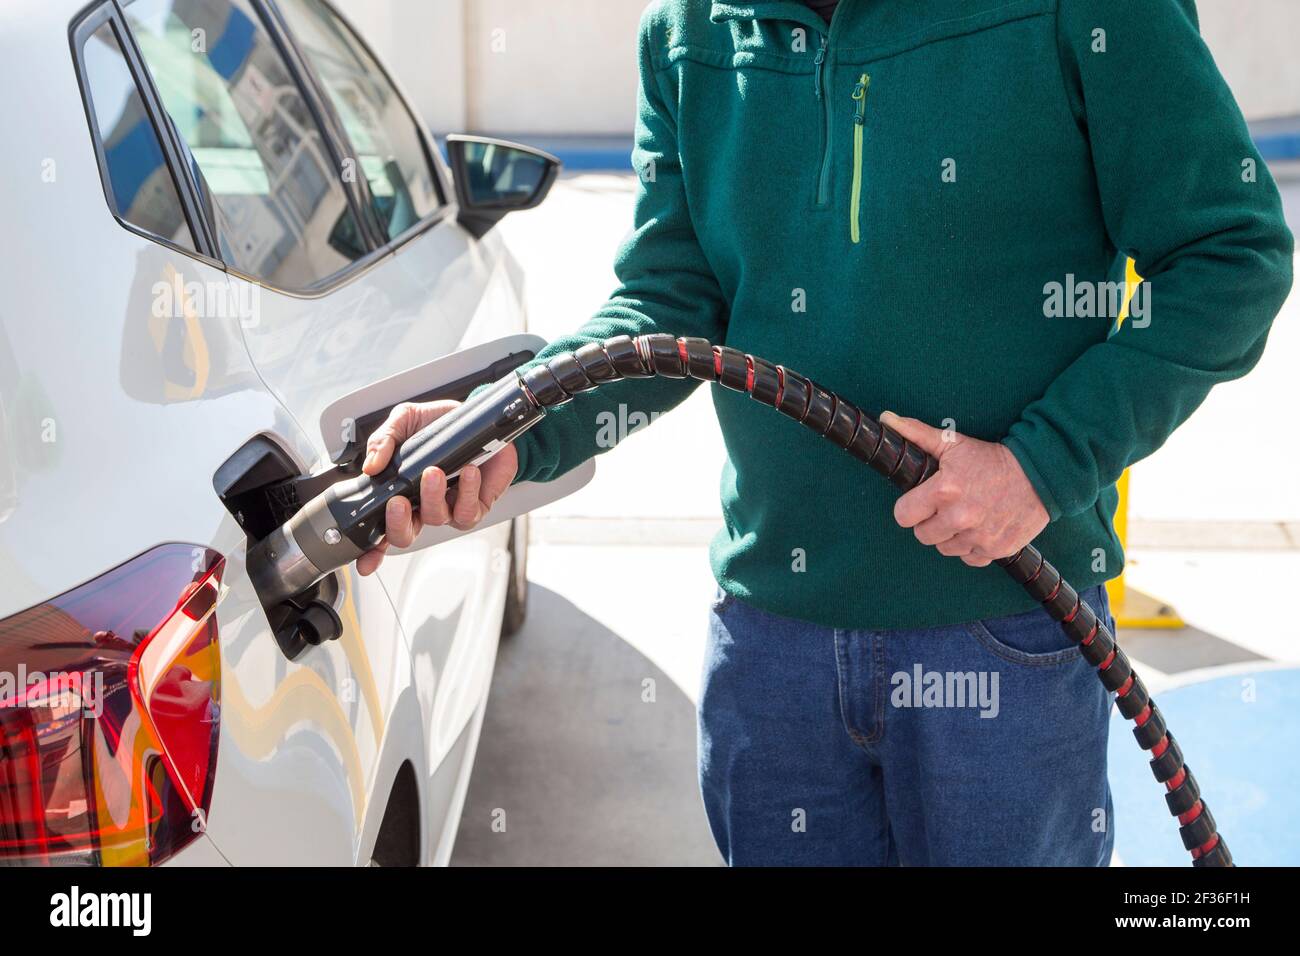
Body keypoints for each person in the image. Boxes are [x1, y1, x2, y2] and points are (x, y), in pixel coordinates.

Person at [358, 0, 1293, 865]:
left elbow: (1229, 254)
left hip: (1007, 632)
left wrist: (1042, 467)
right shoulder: (690, 32)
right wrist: (509, 426)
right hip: (772, 645)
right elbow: (669, 299)